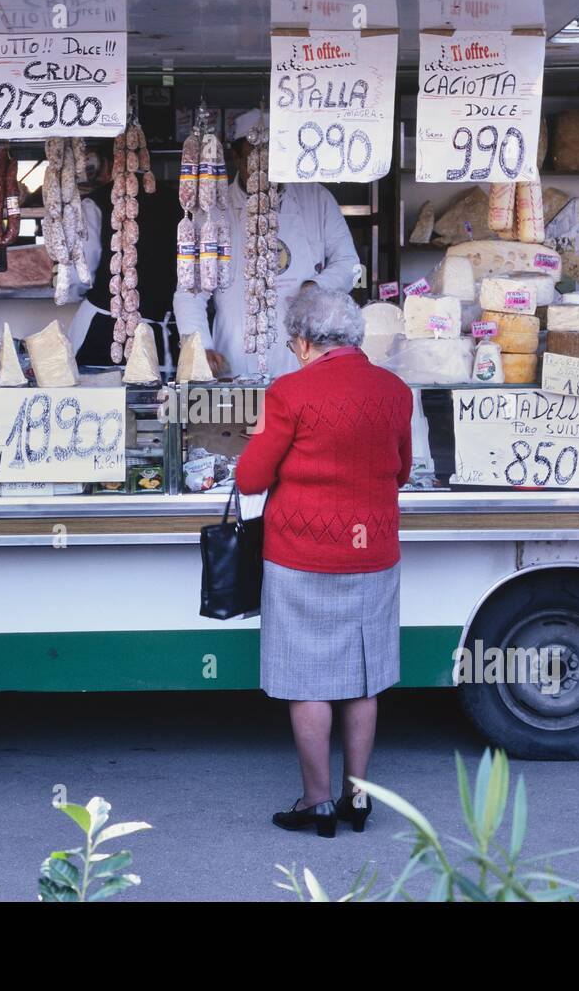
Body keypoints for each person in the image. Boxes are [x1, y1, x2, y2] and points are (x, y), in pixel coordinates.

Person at [235, 285, 413, 837]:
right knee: (363, 678)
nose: (294, 352)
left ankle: (316, 803)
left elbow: (250, 478)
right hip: (373, 552)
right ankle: (356, 798)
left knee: (307, 679)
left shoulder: (289, 393)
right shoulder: (395, 390)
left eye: (293, 343)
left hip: (300, 555)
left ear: (307, 342)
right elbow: (402, 471)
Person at [172, 109, 362, 380]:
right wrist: (199, 345)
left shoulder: (316, 199)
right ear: (236, 158)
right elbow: (190, 289)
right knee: (238, 423)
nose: (266, 168)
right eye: (255, 157)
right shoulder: (213, 210)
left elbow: (349, 264)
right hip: (234, 358)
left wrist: (316, 287)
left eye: (275, 157)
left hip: (305, 359)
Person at [67, 147, 180, 369]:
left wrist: (71, 292)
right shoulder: (177, 203)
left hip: (103, 334)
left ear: (111, 164)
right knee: (157, 402)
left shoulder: (93, 204)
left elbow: (80, 274)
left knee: (102, 401)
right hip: (162, 336)